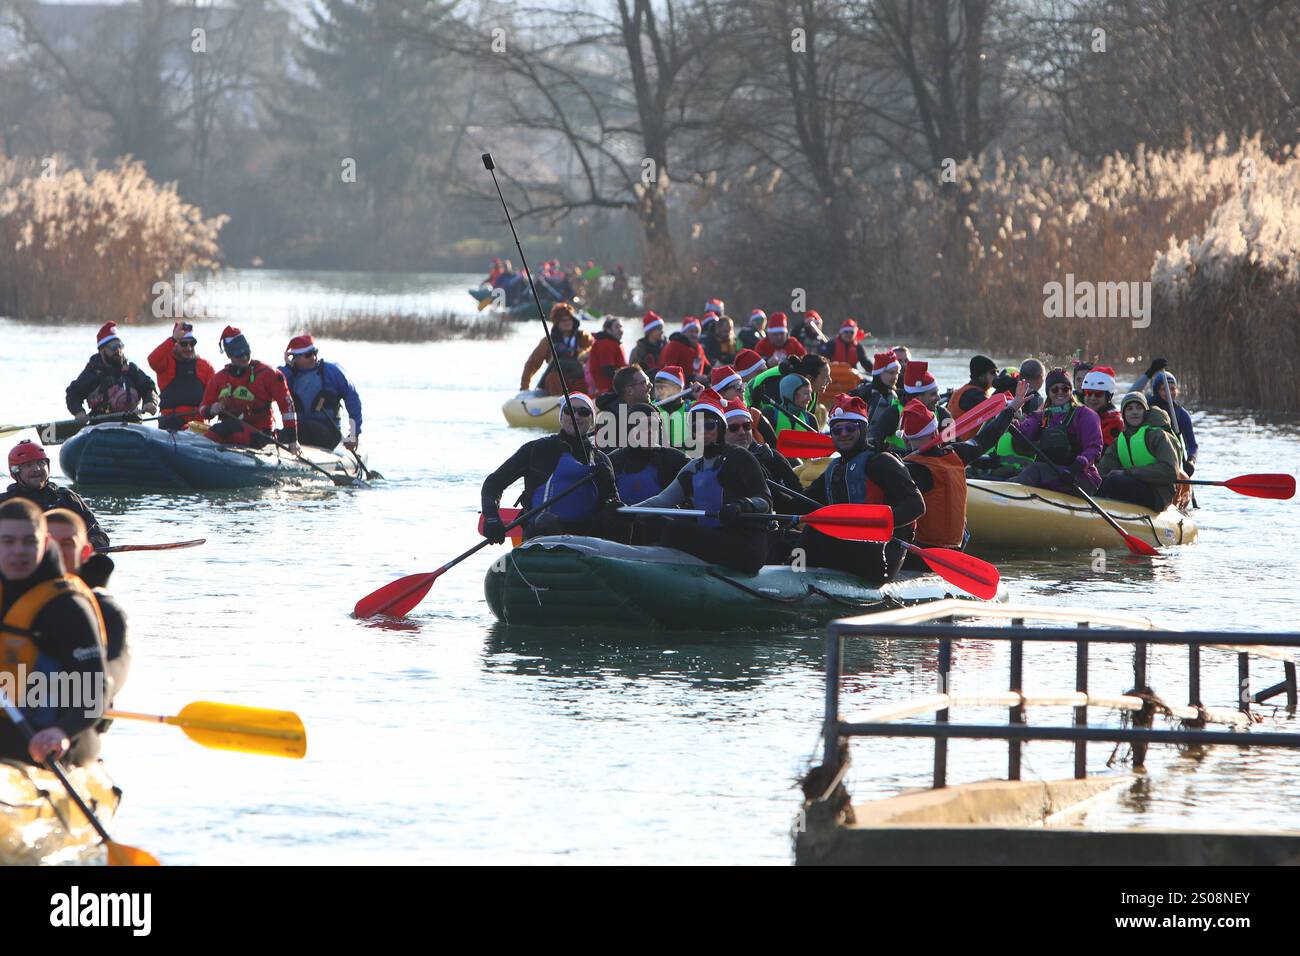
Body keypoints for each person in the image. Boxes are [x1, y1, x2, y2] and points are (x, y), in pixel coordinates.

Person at [0, 499, 107, 767]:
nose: (18, 552)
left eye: (29, 542)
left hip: (47, 735)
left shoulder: (68, 607)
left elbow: (95, 687)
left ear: (45, 541)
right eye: (7, 542)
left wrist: (62, 731)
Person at [630, 390, 772, 574]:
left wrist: (742, 505)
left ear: (721, 427)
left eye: (709, 426)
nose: (703, 432)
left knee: (675, 530)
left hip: (746, 546)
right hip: (717, 538)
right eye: (697, 427)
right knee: (662, 523)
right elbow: (661, 501)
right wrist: (628, 511)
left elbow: (766, 502)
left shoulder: (740, 457)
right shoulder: (694, 467)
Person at [798, 395, 925, 581]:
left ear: (863, 429)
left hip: (882, 554)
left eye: (850, 428)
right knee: (786, 538)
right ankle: (790, 576)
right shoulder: (834, 469)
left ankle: (796, 580)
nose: (843, 434)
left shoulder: (881, 462)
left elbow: (916, 505)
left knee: (813, 533)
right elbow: (801, 503)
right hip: (850, 546)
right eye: (836, 430)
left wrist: (876, 525)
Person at [899, 383, 1029, 564]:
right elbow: (988, 436)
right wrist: (1011, 408)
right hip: (957, 547)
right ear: (936, 431)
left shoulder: (910, 469)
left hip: (924, 553)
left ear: (906, 438)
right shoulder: (957, 454)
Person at [481, 392, 623, 542]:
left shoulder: (601, 460)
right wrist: (491, 518)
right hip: (540, 534)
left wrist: (607, 485)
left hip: (586, 540)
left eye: (583, 412)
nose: (576, 416)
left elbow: (613, 503)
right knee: (546, 521)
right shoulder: (535, 450)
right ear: (561, 417)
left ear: (592, 422)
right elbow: (493, 483)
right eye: (569, 411)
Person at [45, 510, 129, 716]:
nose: (56, 551)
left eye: (67, 544)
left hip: (75, 723)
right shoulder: (9, 599)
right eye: (49, 543)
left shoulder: (105, 610)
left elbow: (115, 669)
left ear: (84, 553)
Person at [198, 326, 299, 450]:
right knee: (223, 429)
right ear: (229, 355)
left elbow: (287, 407)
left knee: (223, 429)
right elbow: (203, 408)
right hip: (230, 431)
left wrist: (293, 441)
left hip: (261, 434)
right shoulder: (219, 378)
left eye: (247, 352)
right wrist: (211, 409)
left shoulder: (269, 374)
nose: (245, 357)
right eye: (239, 354)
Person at [1009, 366, 1103, 494]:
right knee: (1012, 478)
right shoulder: (1042, 416)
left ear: (1071, 391)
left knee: (1035, 470)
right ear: (1048, 392)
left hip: (1080, 478)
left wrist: (1076, 467)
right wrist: (1011, 414)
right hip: (1052, 474)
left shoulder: (1086, 415)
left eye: (1065, 388)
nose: (1060, 392)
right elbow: (1025, 432)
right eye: (1055, 389)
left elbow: (1094, 448)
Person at [1, 440, 109, 550]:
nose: (37, 469)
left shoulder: (67, 498)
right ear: (15, 471)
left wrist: (77, 547)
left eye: (41, 463)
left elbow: (100, 537)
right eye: (29, 465)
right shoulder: (4, 504)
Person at [605, 404, 688, 544]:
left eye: (655, 425)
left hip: (661, 536)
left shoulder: (674, 459)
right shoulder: (612, 461)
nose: (650, 430)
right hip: (624, 536)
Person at [1096, 392, 1186, 512]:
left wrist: (1129, 472)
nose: (1134, 412)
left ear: (1145, 412)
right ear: (1123, 414)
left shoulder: (1158, 436)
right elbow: (1102, 471)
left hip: (1158, 494)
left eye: (1139, 408)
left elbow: (1169, 471)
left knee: (1114, 481)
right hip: (1132, 486)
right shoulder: (1119, 442)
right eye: (1129, 409)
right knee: (1101, 482)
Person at [279, 335, 363, 451]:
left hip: (328, 433)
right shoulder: (286, 375)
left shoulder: (333, 372)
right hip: (298, 432)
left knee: (304, 428)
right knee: (288, 431)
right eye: (308, 355)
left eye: (315, 352)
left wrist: (354, 434)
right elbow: (270, 387)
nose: (313, 357)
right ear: (295, 358)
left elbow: (353, 400)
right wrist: (288, 368)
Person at [66, 322, 159, 423]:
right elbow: (73, 393)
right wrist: (79, 412)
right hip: (101, 427)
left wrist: (150, 402)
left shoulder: (130, 369)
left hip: (132, 425)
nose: (118, 351)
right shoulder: (92, 372)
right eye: (114, 347)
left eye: (120, 346)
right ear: (102, 350)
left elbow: (149, 386)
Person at [148, 322, 215, 430]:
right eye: (184, 344)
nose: (188, 348)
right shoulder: (166, 363)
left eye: (192, 343)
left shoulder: (205, 366)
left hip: (198, 424)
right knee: (173, 423)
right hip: (171, 422)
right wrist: (173, 338)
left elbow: (215, 393)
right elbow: (152, 360)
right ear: (175, 344)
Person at [1132, 364, 1197, 473]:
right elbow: (1132, 393)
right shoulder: (1145, 406)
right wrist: (1150, 372)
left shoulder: (1182, 414)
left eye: (1172, 389)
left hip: (1171, 462)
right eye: (1164, 389)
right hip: (1146, 459)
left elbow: (1192, 445)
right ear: (1156, 391)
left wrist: (1191, 461)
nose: (1169, 393)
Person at [520, 303, 592, 396]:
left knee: (585, 380)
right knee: (553, 378)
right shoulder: (548, 341)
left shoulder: (584, 337)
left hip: (579, 377)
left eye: (569, 319)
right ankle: (558, 404)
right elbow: (533, 363)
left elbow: (594, 355)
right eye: (563, 320)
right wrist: (524, 386)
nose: (567, 322)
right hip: (557, 382)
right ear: (556, 323)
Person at [854, 351, 904, 442]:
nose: (895, 377)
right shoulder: (863, 393)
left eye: (897, 373)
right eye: (891, 373)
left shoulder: (896, 395)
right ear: (879, 373)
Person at [947, 354, 997, 438]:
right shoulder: (972, 395)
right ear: (981, 375)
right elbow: (996, 409)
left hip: (955, 443)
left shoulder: (964, 390)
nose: (996, 376)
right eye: (993, 372)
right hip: (963, 447)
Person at [654, 366, 695, 450]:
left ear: (678, 388)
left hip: (687, 461)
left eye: (663, 386)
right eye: (657, 386)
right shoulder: (650, 407)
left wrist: (701, 395)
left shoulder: (692, 408)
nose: (658, 390)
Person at [1080, 366, 1122, 446]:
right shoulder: (1082, 415)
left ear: (1109, 397)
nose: (1092, 398)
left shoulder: (1115, 422)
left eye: (1098, 394)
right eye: (1088, 393)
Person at [585, 317, 627, 396]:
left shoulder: (612, 343)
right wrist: (626, 378)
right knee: (622, 405)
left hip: (613, 388)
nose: (620, 329)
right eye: (617, 327)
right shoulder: (606, 344)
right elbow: (607, 369)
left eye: (621, 326)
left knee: (623, 405)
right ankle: (623, 409)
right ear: (608, 330)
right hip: (609, 390)